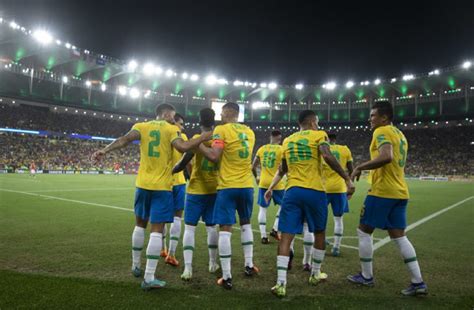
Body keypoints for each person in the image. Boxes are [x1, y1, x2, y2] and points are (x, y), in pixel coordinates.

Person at [91, 103, 211, 291]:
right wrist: (204, 136)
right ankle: (148, 277)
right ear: (165, 114)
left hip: (142, 185)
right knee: (157, 230)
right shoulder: (171, 129)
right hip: (162, 188)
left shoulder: (141, 126)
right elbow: (183, 147)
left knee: (139, 225)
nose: (173, 119)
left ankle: (136, 265)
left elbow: (124, 139)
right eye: (172, 116)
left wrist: (104, 151)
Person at [264, 110, 355, 298]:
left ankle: (281, 283)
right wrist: (347, 179)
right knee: (319, 232)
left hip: (292, 191)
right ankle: (315, 273)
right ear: (313, 122)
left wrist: (271, 187)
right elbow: (328, 157)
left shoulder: (288, 141)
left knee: (286, 236)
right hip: (315, 191)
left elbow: (283, 170)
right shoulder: (319, 135)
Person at [347, 101, 427, 296]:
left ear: (384, 117)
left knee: (364, 231)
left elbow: (386, 156)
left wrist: (360, 167)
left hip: (382, 191)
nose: (369, 119)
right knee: (399, 236)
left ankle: (366, 277)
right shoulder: (400, 134)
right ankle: (418, 282)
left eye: (373, 115)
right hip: (400, 191)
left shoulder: (381, 131)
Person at [199, 102, 257, 290]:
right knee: (246, 223)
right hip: (247, 186)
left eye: (221, 113)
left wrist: (198, 145)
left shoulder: (222, 130)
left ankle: (227, 276)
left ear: (225, 113)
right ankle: (248, 265)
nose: (220, 117)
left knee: (225, 228)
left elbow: (215, 156)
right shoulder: (249, 132)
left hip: (228, 186)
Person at [172, 108, 220, 281]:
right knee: (211, 227)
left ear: (199, 122)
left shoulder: (195, 141)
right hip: (214, 189)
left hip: (195, 189)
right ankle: (213, 263)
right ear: (215, 121)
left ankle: (188, 268)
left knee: (190, 228)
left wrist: (171, 170)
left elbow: (182, 163)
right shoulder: (220, 139)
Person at [322, 133, 353, 257]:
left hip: (323, 189)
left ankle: (321, 240)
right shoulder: (345, 149)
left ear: (327, 139)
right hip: (340, 189)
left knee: (321, 217)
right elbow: (351, 169)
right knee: (338, 219)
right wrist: (350, 186)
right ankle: (336, 247)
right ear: (335, 139)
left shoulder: (323, 149)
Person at [252, 130, 285, 244]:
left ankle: (263, 236)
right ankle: (275, 229)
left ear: (270, 137)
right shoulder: (282, 149)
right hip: (277, 183)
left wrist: (257, 177)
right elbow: (283, 168)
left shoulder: (261, 149)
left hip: (263, 182)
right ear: (279, 138)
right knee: (284, 206)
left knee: (263, 209)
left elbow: (253, 166)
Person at [165, 113, 188, 267]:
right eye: (180, 123)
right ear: (174, 123)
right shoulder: (182, 137)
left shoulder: (163, 134)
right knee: (177, 217)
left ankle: (162, 249)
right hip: (178, 182)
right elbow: (188, 160)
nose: (182, 127)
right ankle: (171, 254)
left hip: (163, 182)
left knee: (160, 219)